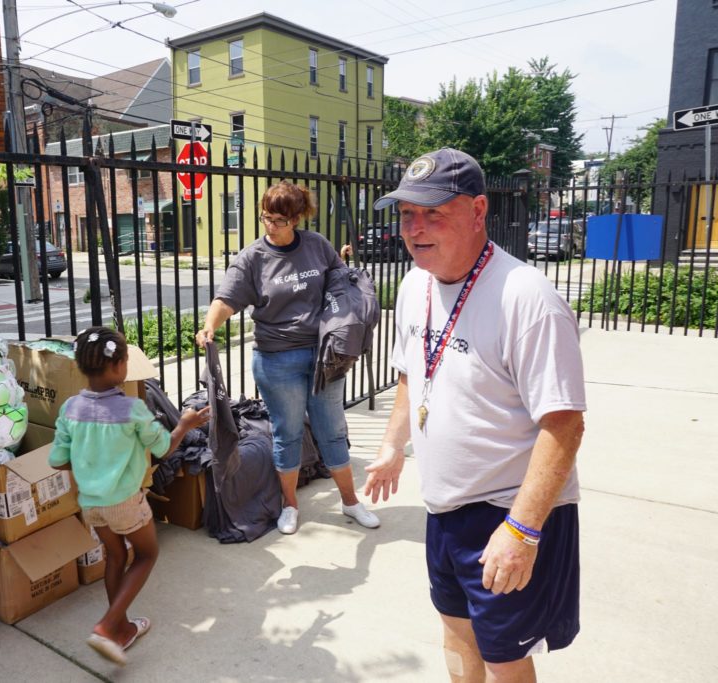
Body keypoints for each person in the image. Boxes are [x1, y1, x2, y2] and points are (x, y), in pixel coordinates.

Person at [362, 148, 586, 682]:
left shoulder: (527, 298)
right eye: (406, 213)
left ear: (479, 210)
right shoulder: (413, 284)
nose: (415, 228)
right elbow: (409, 376)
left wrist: (523, 532)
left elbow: (564, 425)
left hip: (507, 512)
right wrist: (394, 446)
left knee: (505, 656)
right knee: (456, 633)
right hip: (443, 508)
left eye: (433, 212)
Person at [195, 181, 381, 535]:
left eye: (279, 220)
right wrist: (209, 327)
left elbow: (339, 282)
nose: (271, 225)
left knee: (333, 431)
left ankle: (350, 502)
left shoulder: (316, 245)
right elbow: (226, 299)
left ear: (296, 218)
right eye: (266, 217)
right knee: (288, 433)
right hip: (277, 359)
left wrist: (345, 266)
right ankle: (290, 506)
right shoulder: (252, 258)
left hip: (326, 356)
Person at [49, 327, 209, 667]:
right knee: (147, 555)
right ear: (121, 365)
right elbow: (164, 448)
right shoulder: (132, 409)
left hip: (90, 504)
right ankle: (107, 626)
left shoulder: (70, 408)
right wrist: (185, 423)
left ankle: (121, 630)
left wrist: (89, 457)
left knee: (116, 555)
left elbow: (58, 459)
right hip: (124, 501)